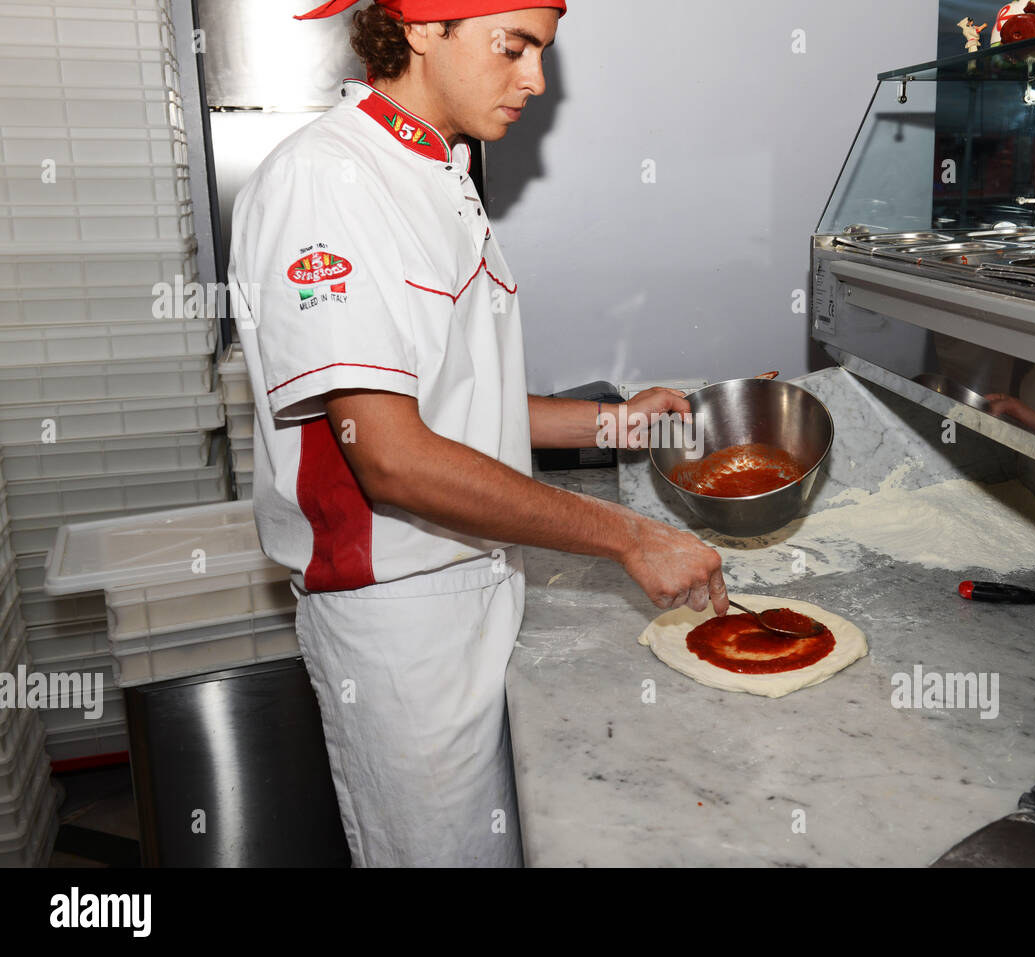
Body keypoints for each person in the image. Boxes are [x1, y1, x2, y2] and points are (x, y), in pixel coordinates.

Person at [227, 0, 727, 867]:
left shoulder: (439, 170)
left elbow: (462, 398)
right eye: (515, 47)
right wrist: (629, 536)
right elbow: (392, 456)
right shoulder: (327, 182)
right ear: (423, 29)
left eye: (544, 53)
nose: (535, 80)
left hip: (482, 579)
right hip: (401, 621)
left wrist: (614, 422)